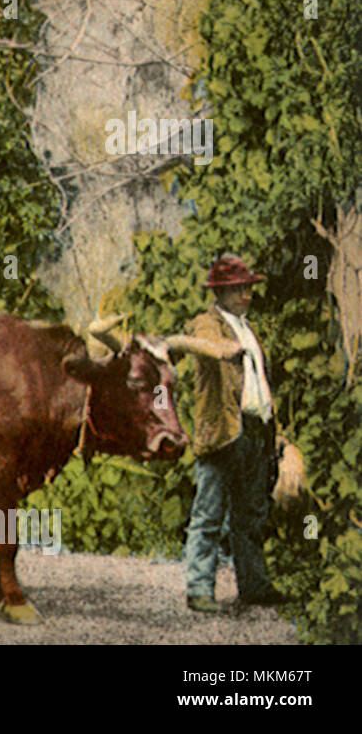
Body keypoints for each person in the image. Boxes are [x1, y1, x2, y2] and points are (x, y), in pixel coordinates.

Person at [182, 253, 290, 613]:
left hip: (255, 430)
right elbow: (204, 347)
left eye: (247, 287)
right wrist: (222, 349)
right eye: (236, 289)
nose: (244, 294)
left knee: (251, 513)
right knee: (209, 513)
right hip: (223, 431)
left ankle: (254, 585)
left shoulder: (247, 328)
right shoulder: (207, 324)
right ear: (219, 292)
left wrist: (275, 430)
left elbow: (259, 384)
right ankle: (199, 589)